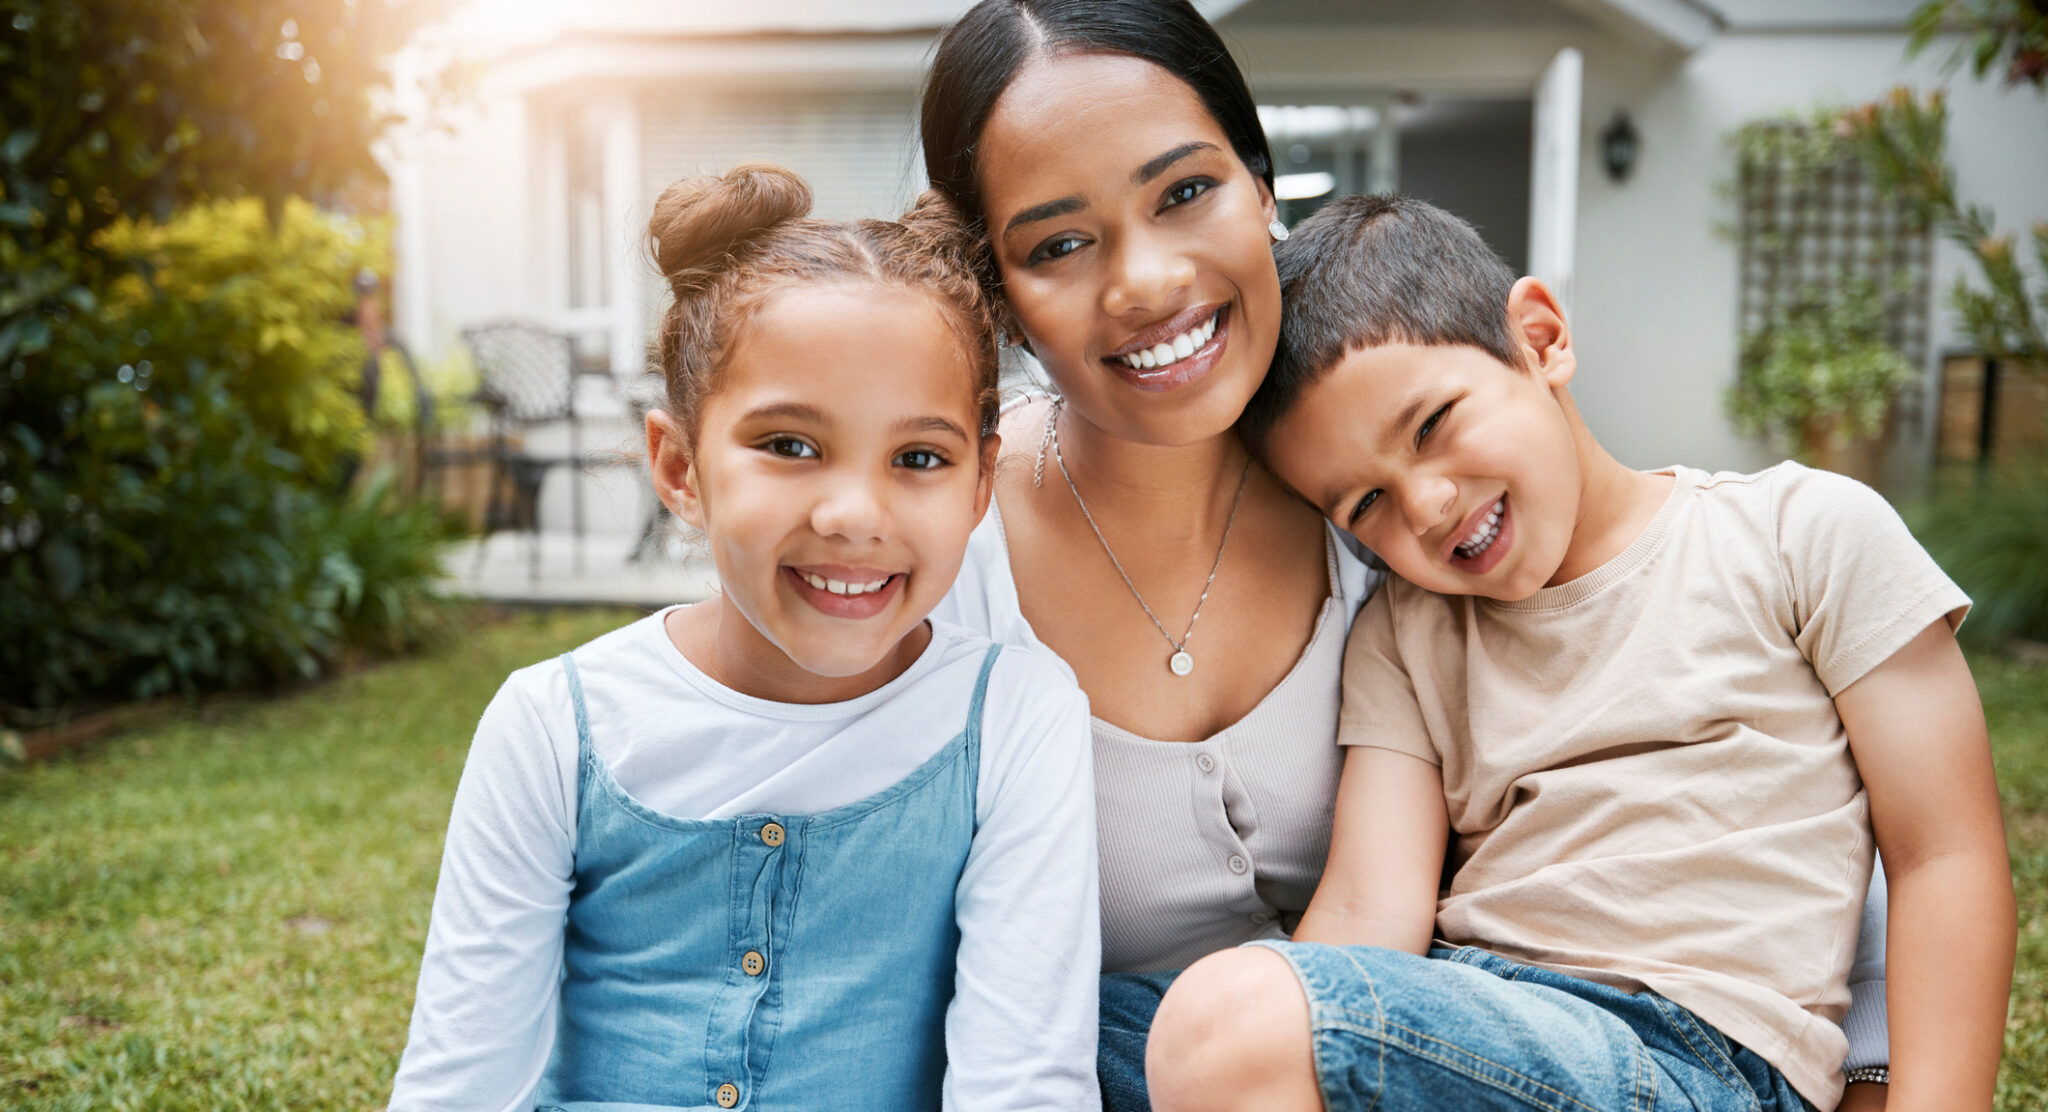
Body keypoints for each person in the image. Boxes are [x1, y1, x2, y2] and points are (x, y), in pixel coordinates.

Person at [918, 3, 1893, 1110]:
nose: (1143, 282)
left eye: (1185, 190)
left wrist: (1869, 1068)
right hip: (1310, 1041)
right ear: (998, 294)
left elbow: (1746, 781)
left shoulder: (1404, 503)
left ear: (1259, 184)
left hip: (1470, 1044)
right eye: (1056, 242)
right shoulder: (945, 553)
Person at [1145, 194, 2016, 1112]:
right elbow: (1368, 912)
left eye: (1432, 425)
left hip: (1692, 1056)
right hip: (1466, 1018)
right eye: (1364, 505)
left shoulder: (1801, 534)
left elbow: (1943, 857)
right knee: (1112, 1027)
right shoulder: (1406, 633)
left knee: (1228, 1019)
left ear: (1539, 336)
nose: (1427, 505)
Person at [387, 164, 1101, 1112]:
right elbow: (458, 1085)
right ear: (680, 467)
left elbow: (1024, 1087)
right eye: (790, 446)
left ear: (981, 483)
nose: (854, 514)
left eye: (919, 458)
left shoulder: (1015, 716)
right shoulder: (553, 725)